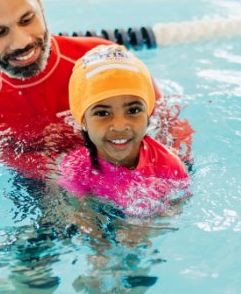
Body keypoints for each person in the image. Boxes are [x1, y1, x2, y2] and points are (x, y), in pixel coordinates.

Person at [0, 0, 193, 178]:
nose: (22, 41)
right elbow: (42, 179)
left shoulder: (108, 63)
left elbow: (171, 132)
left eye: (27, 19)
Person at [59, 44, 190, 217]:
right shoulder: (76, 168)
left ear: (148, 113)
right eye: (103, 113)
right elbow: (76, 211)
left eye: (133, 110)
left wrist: (147, 228)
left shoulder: (169, 166)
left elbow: (177, 209)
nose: (120, 126)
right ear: (83, 120)